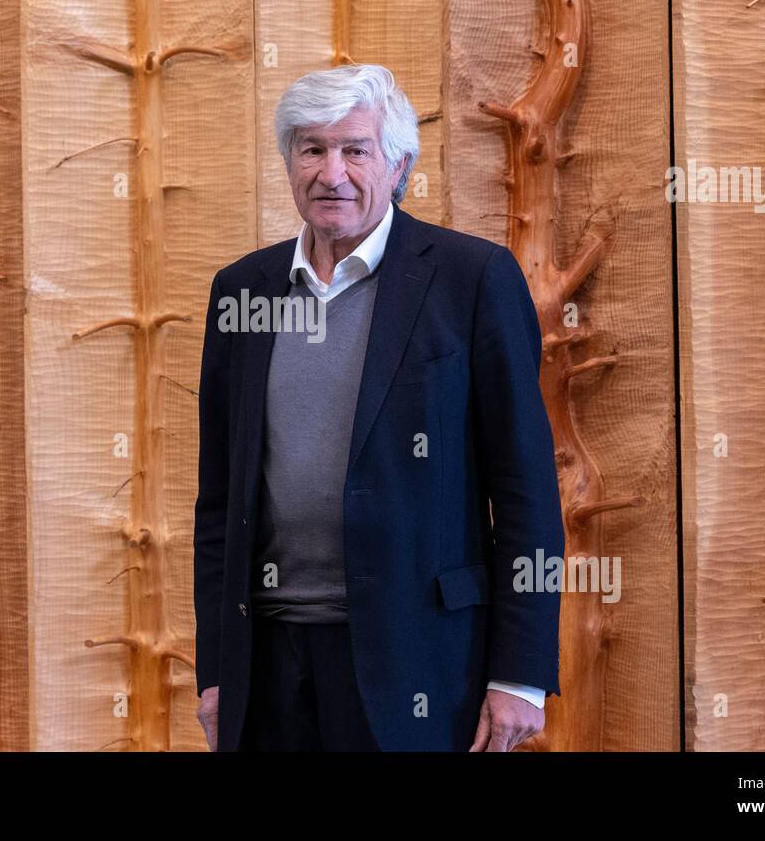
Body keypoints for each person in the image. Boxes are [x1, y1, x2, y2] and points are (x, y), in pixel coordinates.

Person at [192, 63, 564, 751]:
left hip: (422, 658)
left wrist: (521, 673)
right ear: (288, 162)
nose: (331, 172)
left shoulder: (471, 279)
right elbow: (219, 500)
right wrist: (216, 672)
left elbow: (525, 490)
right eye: (311, 149)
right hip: (268, 662)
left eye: (354, 150)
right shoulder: (242, 289)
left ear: (398, 166)